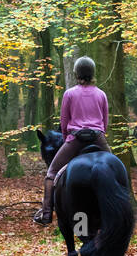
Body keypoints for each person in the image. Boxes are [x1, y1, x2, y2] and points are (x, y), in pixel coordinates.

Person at [34, 55, 112, 224]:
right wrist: (100, 133)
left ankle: (46, 214)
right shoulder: (101, 94)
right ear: (93, 73)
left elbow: (64, 121)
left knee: (51, 173)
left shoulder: (69, 94)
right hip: (97, 138)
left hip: (76, 138)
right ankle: (123, 204)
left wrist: (66, 139)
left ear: (76, 73)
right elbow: (105, 121)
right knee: (115, 169)